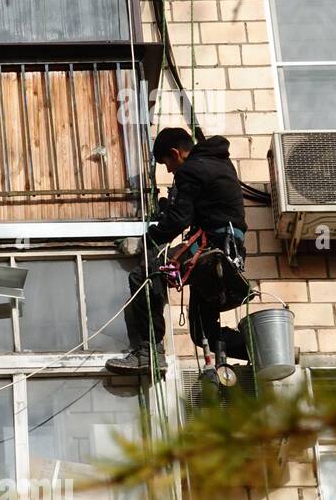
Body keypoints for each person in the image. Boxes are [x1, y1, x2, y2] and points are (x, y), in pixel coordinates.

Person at [106, 127, 248, 376]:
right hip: (231, 251)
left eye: (167, 163)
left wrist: (145, 241)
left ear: (175, 153)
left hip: (211, 248)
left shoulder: (191, 170)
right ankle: (260, 348)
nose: (170, 170)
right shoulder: (221, 164)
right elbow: (194, 210)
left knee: (143, 277)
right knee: (203, 333)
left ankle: (149, 352)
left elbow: (179, 219)